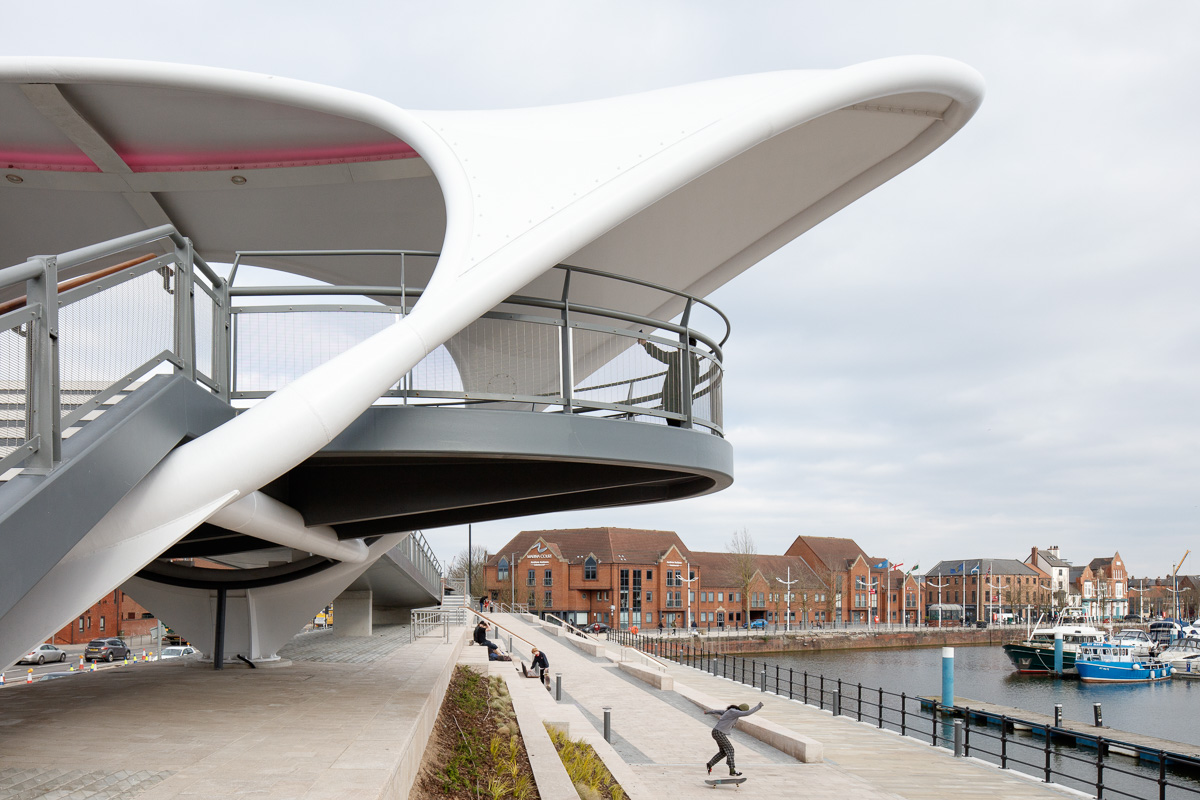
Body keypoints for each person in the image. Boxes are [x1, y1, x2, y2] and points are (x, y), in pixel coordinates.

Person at [638, 337, 700, 427]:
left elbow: (661, 355)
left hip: (674, 400)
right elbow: (696, 380)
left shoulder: (680, 357)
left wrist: (645, 344)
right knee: (682, 426)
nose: (677, 347)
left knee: (674, 426)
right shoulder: (695, 361)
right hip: (686, 401)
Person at [704, 701, 763, 777]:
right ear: (741, 710)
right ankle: (732, 770)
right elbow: (747, 713)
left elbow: (718, 711)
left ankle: (710, 764)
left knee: (724, 752)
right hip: (719, 733)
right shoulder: (734, 712)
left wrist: (707, 712)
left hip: (717, 732)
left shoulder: (730, 712)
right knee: (730, 749)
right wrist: (759, 706)